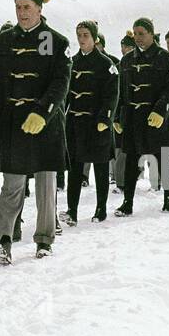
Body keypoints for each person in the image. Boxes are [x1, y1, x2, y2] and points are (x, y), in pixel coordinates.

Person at [0, 0, 70, 264]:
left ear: (39, 9)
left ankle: (44, 239)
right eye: (18, 7)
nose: (22, 12)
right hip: (12, 124)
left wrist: (43, 112)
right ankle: (5, 240)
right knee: (12, 185)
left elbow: (60, 83)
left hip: (46, 124)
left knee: (45, 184)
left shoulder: (56, 41)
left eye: (27, 7)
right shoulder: (2, 42)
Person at [113, 18, 169, 215]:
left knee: (164, 159)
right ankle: (128, 202)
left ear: (151, 34)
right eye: (136, 34)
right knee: (132, 161)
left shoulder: (166, 58)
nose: (138, 38)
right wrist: (117, 117)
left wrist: (161, 111)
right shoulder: (126, 61)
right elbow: (121, 92)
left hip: (157, 118)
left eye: (142, 33)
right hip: (134, 119)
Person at [64, 20, 116, 222]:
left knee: (100, 167)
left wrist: (105, 118)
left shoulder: (106, 65)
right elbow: (66, 94)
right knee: (75, 169)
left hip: (97, 125)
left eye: (86, 35)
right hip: (76, 124)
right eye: (79, 35)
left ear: (94, 38)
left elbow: (112, 95)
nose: (82, 39)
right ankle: (72, 211)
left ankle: (101, 209)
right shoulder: (72, 62)